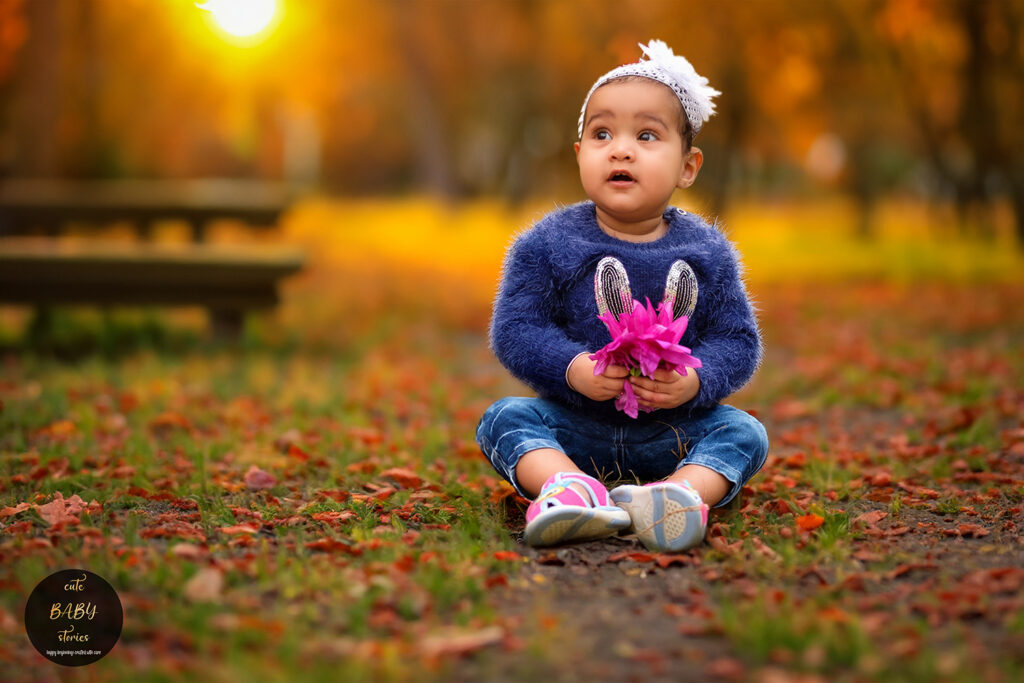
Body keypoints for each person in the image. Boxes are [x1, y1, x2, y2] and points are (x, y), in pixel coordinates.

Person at [476, 40, 768, 552]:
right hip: (574, 429)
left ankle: (675, 496)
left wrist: (695, 381)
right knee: (503, 418)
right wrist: (573, 368)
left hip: (674, 432)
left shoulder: (708, 251)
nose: (621, 148)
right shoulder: (547, 243)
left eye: (647, 135)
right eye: (602, 133)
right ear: (579, 153)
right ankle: (568, 488)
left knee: (745, 433)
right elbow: (515, 330)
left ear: (688, 167)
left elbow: (738, 340)